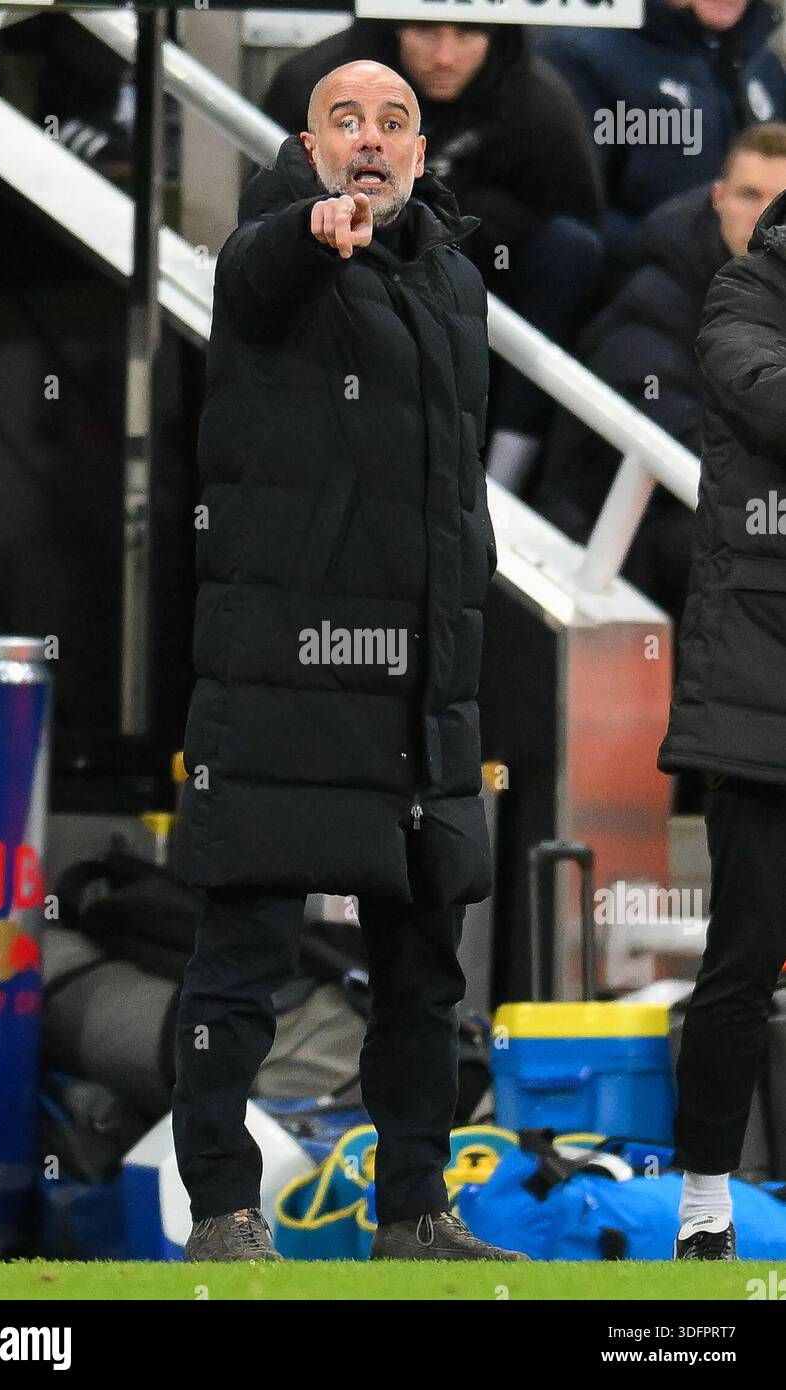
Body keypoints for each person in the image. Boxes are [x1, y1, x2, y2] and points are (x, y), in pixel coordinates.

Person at [172, 59, 527, 1264]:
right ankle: (222, 1211)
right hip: (285, 666)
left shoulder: (451, 279)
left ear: (420, 152)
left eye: (391, 125)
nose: (368, 142)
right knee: (245, 954)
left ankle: (413, 1214)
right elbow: (260, 269)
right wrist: (313, 234)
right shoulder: (271, 251)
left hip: (422, 681)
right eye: (344, 123)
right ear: (309, 145)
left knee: (423, 968)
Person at [262, 17, 605, 490]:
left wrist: (471, 221)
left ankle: (506, 477)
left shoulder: (538, 103)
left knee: (571, 250)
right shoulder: (316, 83)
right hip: (352, 264)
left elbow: (580, 214)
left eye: (465, 35)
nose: (444, 56)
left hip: (482, 272)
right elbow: (268, 210)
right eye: (425, 31)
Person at [657, 173, 786, 1258]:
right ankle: (704, 1209)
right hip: (758, 694)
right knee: (741, 962)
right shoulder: (743, 296)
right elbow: (770, 400)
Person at [534, 122, 786, 626]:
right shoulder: (657, 300)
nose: (764, 219)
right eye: (748, 195)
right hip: (632, 535)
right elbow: (688, 438)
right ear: (717, 198)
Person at [539, 0, 786, 272]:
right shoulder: (582, 54)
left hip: (754, 279)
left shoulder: (760, 60)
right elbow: (575, 210)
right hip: (647, 283)